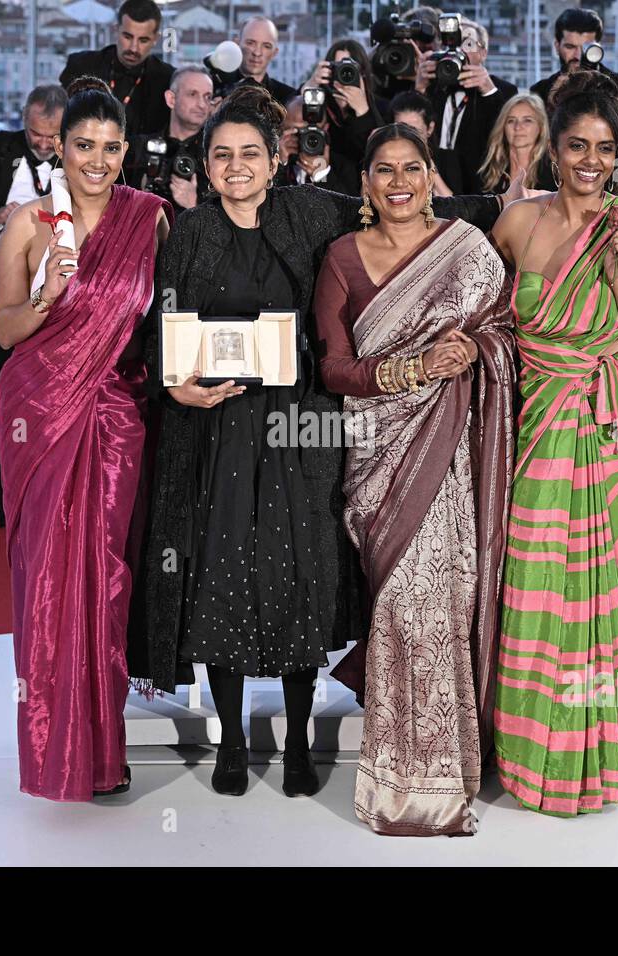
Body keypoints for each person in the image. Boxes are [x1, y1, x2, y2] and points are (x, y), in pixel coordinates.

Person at [131, 85, 504, 800]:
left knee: (297, 576)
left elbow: (403, 206)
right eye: (221, 156)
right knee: (220, 578)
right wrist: (176, 385)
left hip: (303, 430)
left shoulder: (311, 213)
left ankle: (300, 744)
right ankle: (233, 746)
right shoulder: (191, 235)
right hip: (217, 432)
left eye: (250, 153)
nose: (236, 167)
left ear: (276, 159)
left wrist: (509, 207)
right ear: (205, 166)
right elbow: (167, 330)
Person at [315, 124, 515, 835]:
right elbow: (333, 368)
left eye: (411, 168)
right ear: (365, 183)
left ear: (431, 174)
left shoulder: (467, 249)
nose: (398, 182)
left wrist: (474, 349)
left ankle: (447, 777)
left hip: (450, 447)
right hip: (378, 452)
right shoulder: (342, 256)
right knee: (399, 603)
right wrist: (409, 370)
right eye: (383, 171)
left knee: (443, 603)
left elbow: (506, 333)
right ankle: (399, 783)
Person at [489, 69, 618, 817]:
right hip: (537, 425)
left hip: (612, 433)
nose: (591, 161)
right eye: (577, 146)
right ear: (554, 149)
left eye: (604, 148)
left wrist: (617, 282)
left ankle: (588, 755)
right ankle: (528, 755)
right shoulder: (516, 223)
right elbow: (478, 310)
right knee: (532, 590)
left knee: (598, 599)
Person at [0, 76, 172, 802]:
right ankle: (49, 752)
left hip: (119, 413)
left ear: (125, 150)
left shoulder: (151, 217)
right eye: (81, 146)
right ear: (57, 148)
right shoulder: (27, 223)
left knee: (106, 574)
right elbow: (4, 329)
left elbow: (171, 319)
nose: (95, 161)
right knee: (44, 581)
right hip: (38, 411)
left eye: (108, 148)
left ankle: (103, 748)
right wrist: (44, 296)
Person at [0, 85, 67, 528]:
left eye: (50, 136)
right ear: (24, 120)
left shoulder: (76, 155)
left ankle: (49, 496)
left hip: (57, 294)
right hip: (1, 290)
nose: (42, 144)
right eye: (34, 134)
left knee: (52, 397)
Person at [530, 7, 618, 189]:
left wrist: (602, 100)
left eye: (587, 48)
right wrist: (556, 100)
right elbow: (533, 145)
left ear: (598, 47)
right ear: (557, 46)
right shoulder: (541, 90)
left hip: (605, 196)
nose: (578, 56)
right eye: (570, 47)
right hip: (551, 195)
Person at [415, 18, 517, 195]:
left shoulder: (502, 91)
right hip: (431, 185)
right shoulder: (433, 86)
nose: (460, 51)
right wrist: (419, 88)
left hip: (477, 189)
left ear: (483, 52)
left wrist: (488, 91)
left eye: (468, 44)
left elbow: (506, 138)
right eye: (452, 44)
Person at [60, 0, 175, 136]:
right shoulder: (81, 66)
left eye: (143, 40)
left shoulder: (167, 78)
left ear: (156, 38)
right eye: (127, 37)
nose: (133, 48)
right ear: (116, 30)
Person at [124, 65, 214, 211]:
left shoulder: (216, 156)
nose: (202, 104)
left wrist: (194, 204)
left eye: (207, 97)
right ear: (171, 99)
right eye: (192, 94)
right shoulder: (138, 148)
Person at [301, 40, 389, 170]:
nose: (345, 73)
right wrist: (311, 84)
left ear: (363, 72)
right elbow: (292, 114)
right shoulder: (319, 105)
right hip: (325, 179)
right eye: (338, 67)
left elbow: (384, 153)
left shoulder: (382, 107)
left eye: (350, 68)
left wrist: (363, 110)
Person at [277, 94, 362, 196]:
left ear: (325, 129)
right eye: (296, 131)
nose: (304, 138)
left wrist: (322, 175)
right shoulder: (268, 164)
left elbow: (344, 209)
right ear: (282, 130)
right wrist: (280, 164)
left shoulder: (346, 168)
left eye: (311, 132)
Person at [389, 90, 461, 195]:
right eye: (402, 130)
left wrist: (428, 163)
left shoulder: (447, 159)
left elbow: (455, 207)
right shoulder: (384, 161)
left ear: (430, 128)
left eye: (415, 131)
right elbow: (366, 203)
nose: (408, 138)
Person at [477, 92, 550, 195]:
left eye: (527, 120)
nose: (518, 127)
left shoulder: (552, 170)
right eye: (511, 121)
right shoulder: (489, 168)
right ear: (503, 127)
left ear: (541, 127)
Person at [235, 16, 298, 107]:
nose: (257, 53)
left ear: (274, 53)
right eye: (250, 43)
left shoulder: (287, 98)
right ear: (237, 44)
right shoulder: (214, 89)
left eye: (266, 46)